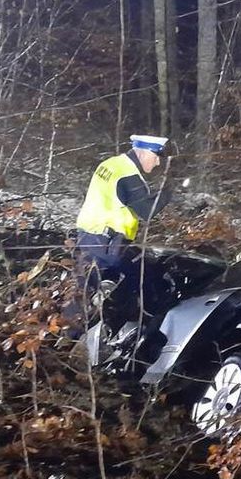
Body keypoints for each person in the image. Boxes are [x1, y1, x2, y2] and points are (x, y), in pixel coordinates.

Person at [71, 134, 174, 335]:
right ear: (143, 153)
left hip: (87, 237)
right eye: (156, 155)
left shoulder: (111, 164)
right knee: (149, 280)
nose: (158, 161)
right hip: (107, 244)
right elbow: (148, 211)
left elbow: (124, 197)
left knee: (85, 291)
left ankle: (72, 334)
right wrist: (170, 191)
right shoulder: (128, 176)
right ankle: (144, 334)